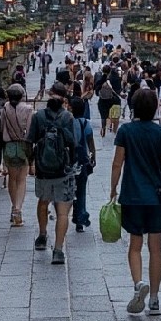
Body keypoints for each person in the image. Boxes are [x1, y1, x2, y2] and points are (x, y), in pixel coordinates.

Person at [109, 88, 161, 316]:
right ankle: (155, 298)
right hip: (157, 197)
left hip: (132, 195)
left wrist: (113, 188)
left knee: (135, 245)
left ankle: (139, 284)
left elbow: (117, 163)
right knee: (156, 247)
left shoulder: (126, 131)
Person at [25, 82, 77, 265]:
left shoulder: (38, 117)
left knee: (43, 202)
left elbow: (28, 141)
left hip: (43, 169)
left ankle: (42, 234)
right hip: (62, 170)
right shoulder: (68, 118)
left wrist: (32, 162)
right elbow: (73, 144)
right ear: (63, 101)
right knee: (62, 212)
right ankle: (58, 250)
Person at [0, 83, 33, 227]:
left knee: (12, 179)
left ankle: (14, 207)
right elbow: (31, 132)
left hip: (8, 145)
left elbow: (1, 129)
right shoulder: (28, 109)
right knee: (21, 180)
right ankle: (18, 209)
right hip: (23, 146)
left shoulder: (5, 109)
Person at [68, 95, 97, 233]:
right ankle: (80, 218)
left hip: (69, 161)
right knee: (81, 190)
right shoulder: (86, 123)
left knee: (69, 189)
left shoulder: (68, 122)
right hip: (83, 160)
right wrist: (93, 157)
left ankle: (69, 214)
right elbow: (91, 143)